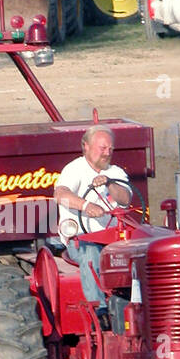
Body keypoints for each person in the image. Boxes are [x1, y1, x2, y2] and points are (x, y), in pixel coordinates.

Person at [54, 125, 132, 330]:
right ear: (86, 146)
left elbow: (125, 198)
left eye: (110, 149)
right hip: (82, 240)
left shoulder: (116, 172)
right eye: (102, 148)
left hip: (114, 240)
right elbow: (60, 194)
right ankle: (100, 310)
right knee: (90, 252)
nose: (107, 153)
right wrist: (86, 206)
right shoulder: (74, 169)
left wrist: (109, 183)